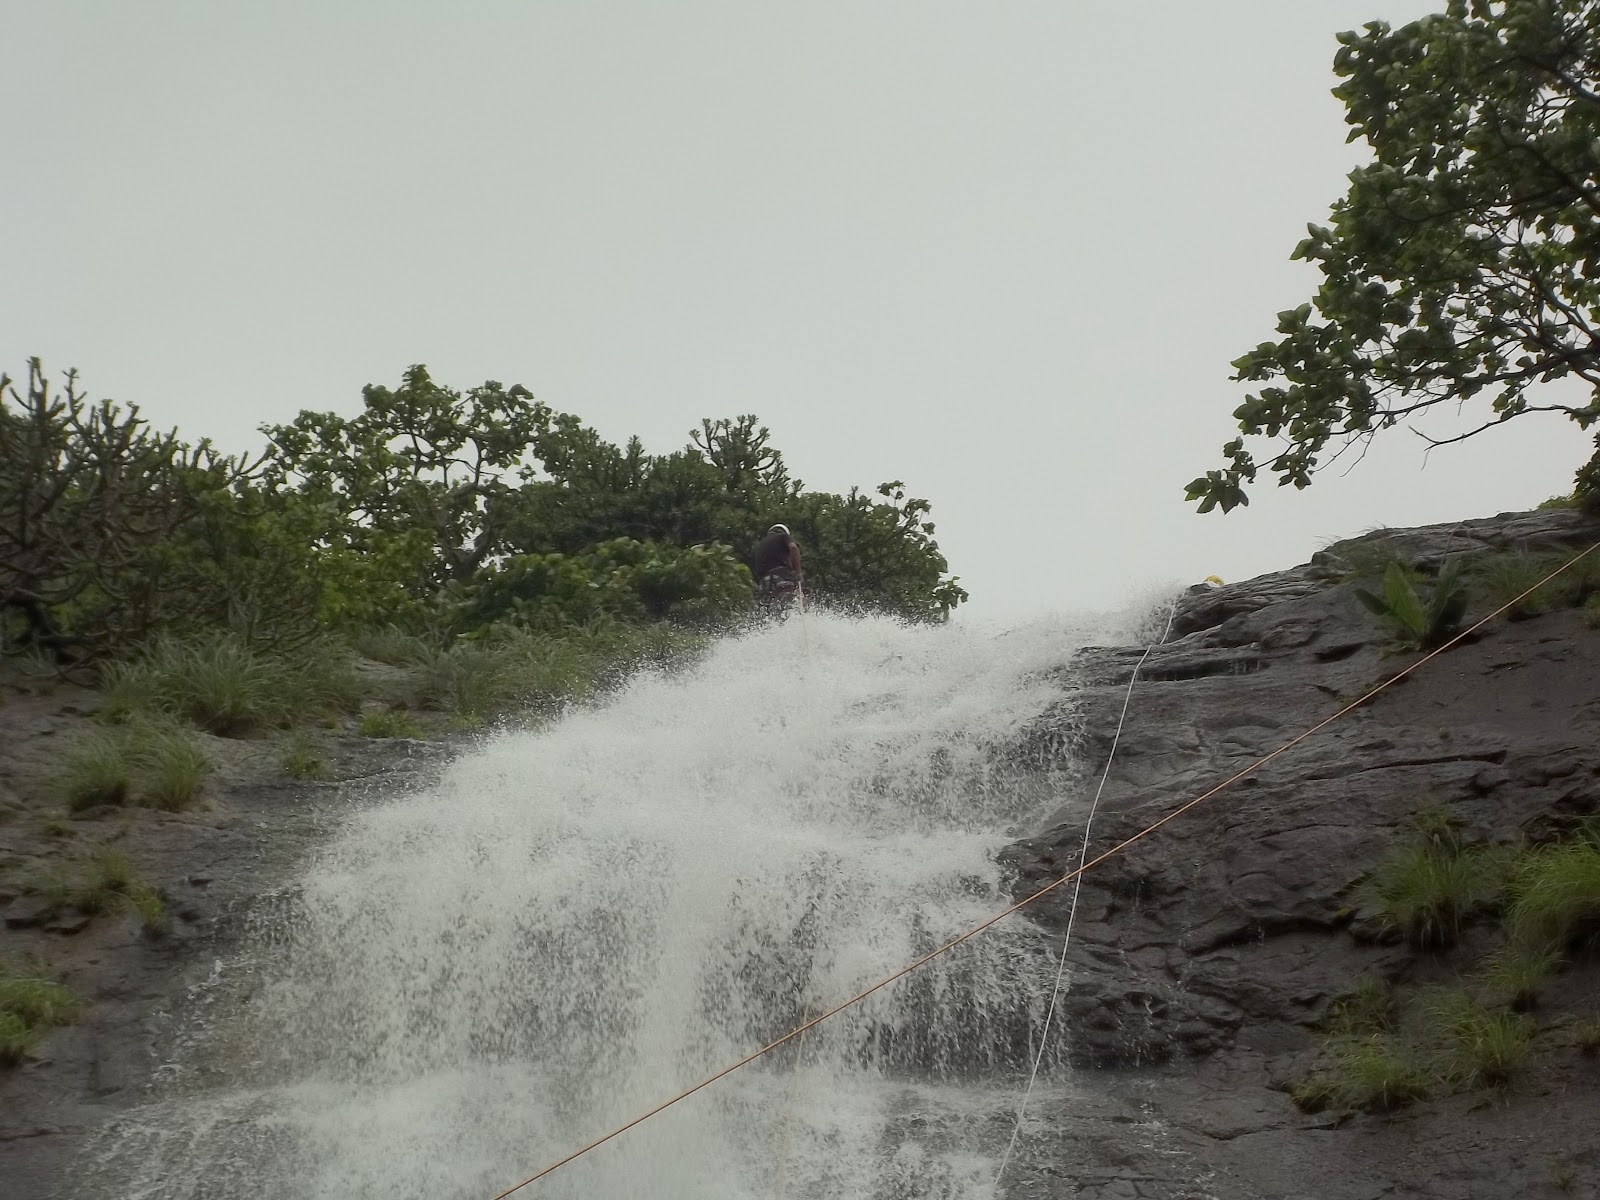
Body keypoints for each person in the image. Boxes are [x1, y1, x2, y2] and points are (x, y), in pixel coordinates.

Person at [753, 523, 803, 606]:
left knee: (768, 610)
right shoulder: (783, 536)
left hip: (765, 582)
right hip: (782, 576)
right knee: (791, 606)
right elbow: (793, 548)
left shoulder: (760, 544)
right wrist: (798, 572)